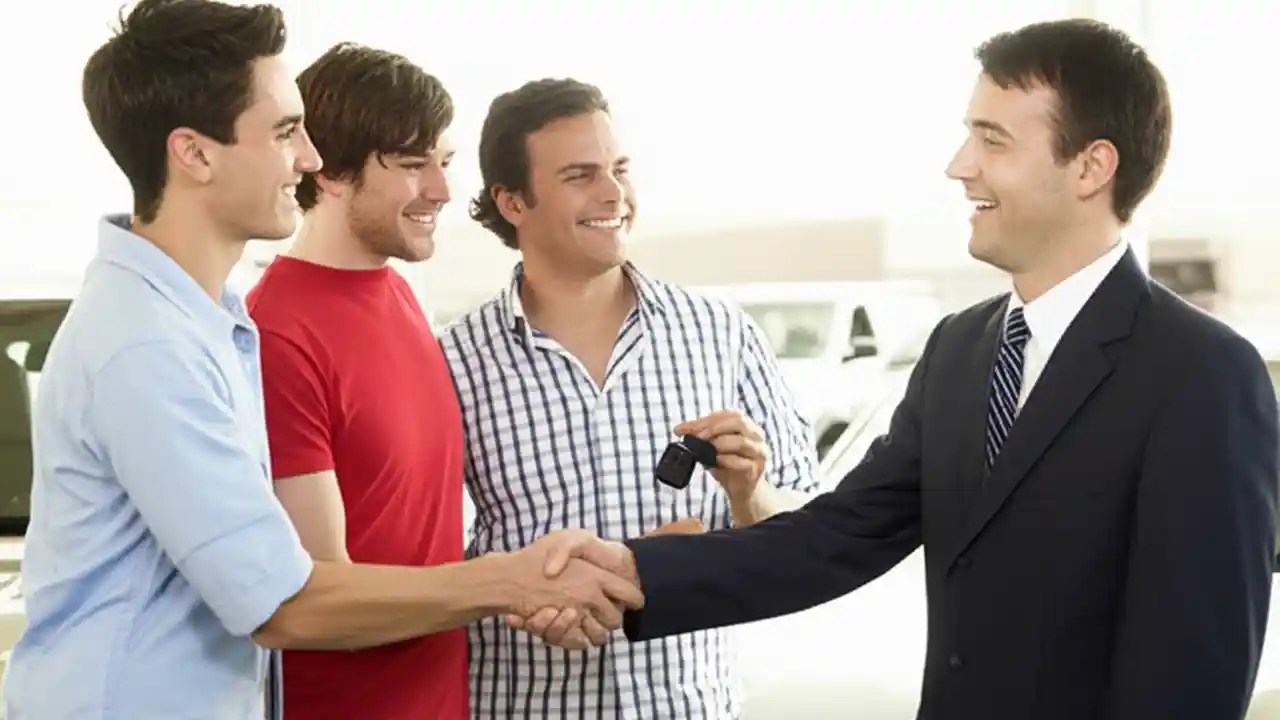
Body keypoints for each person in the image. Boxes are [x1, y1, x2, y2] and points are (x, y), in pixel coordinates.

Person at [514, 19, 1280, 720]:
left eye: (992, 141)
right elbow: (838, 536)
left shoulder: (1203, 376)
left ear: (1091, 167)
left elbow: (1192, 680)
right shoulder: (960, 350)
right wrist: (631, 570)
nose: (959, 166)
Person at [1, 3, 641, 718]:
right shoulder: (146, 346)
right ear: (195, 155)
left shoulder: (206, 321)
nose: (310, 159)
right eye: (284, 132)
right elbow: (283, 602)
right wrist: (513, 581)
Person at [437, 78, 819, 718]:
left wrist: (750, 493)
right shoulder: (452, 362)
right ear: (512, 201)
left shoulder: (720, 333)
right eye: (580, 175)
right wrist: (521, 597)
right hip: (523, 702)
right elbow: (426, 564)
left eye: (619, 168)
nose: (613, 193)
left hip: (689, 706)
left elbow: (807, 536)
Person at [244, 42, 470, 719]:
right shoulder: (277, 333)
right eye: (413, 165)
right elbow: (321, 596)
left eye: (444, 162)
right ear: (332, 171)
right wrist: (507, 585)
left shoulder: (399, 294)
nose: (442, 190)